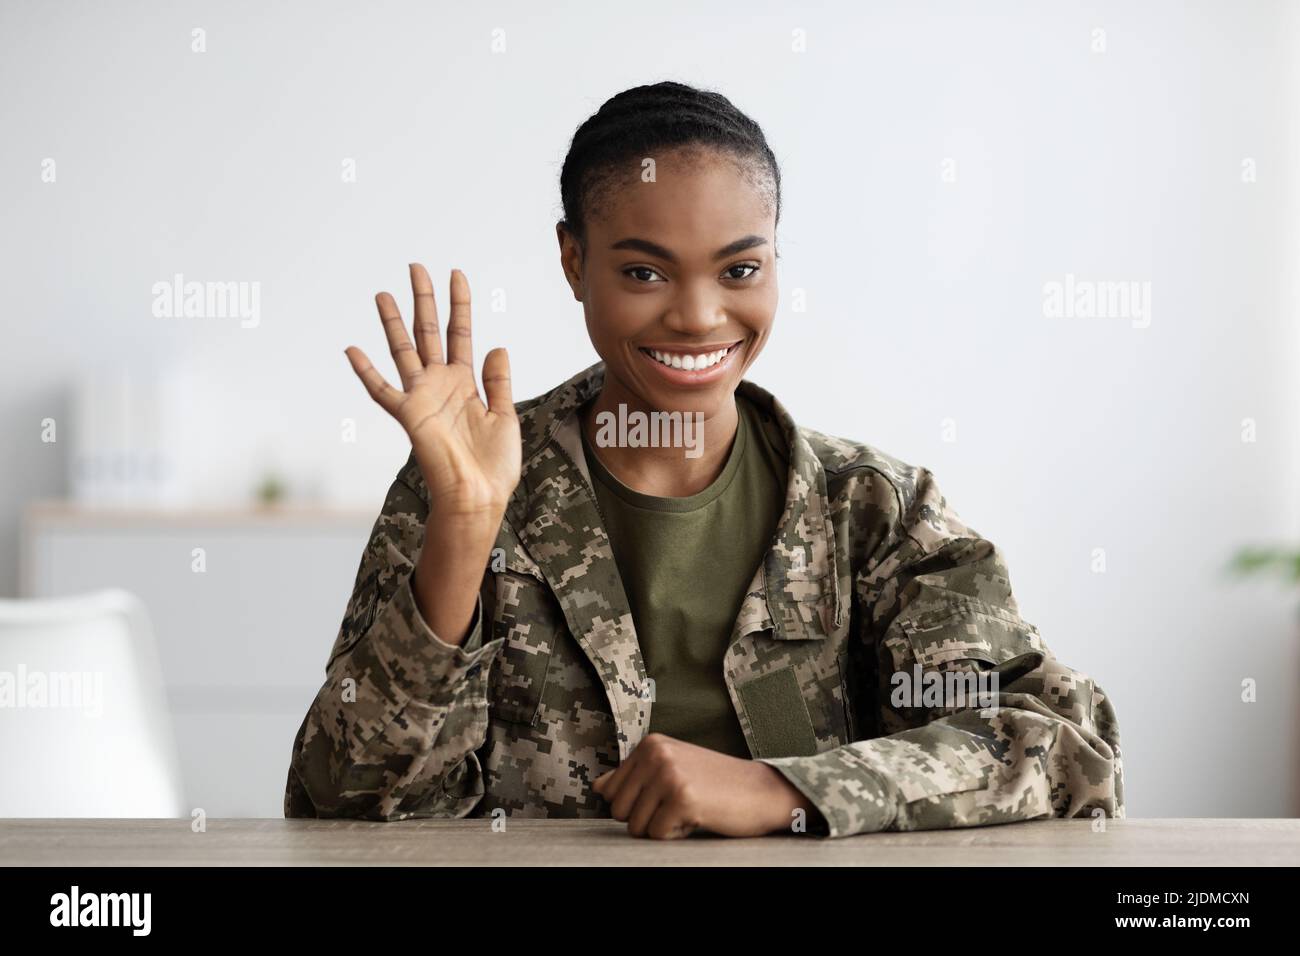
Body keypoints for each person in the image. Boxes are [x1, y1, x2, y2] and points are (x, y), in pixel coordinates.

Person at [283, 80, 1123, 839]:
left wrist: (782, 791)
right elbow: (341, 808)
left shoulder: (872, 511)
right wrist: (465, 528)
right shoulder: (470, 484)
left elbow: (1057, 747)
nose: (697, 315)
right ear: (574, 261)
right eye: (645, 271)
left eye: (740, 268)